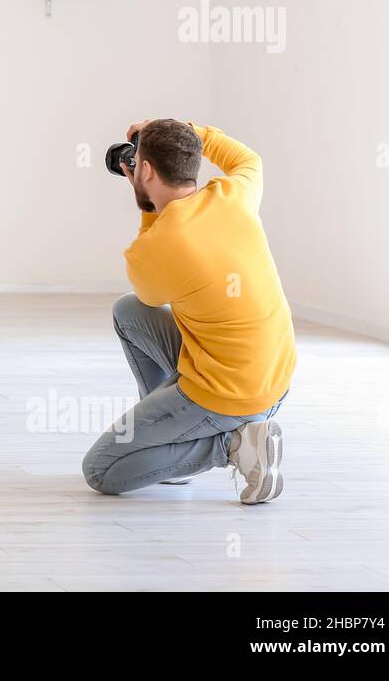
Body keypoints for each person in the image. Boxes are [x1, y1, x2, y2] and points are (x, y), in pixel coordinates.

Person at [82, 119, 295, 504]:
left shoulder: (157, 246)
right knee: (128, 312)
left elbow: (151, 291)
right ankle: (182, 444)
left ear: (146, 170)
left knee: (101, 470)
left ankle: (234, 445)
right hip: (275, 380)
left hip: (230, 395)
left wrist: (145, 202)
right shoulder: (234, 193)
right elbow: (248, 158)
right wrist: (187, 131)